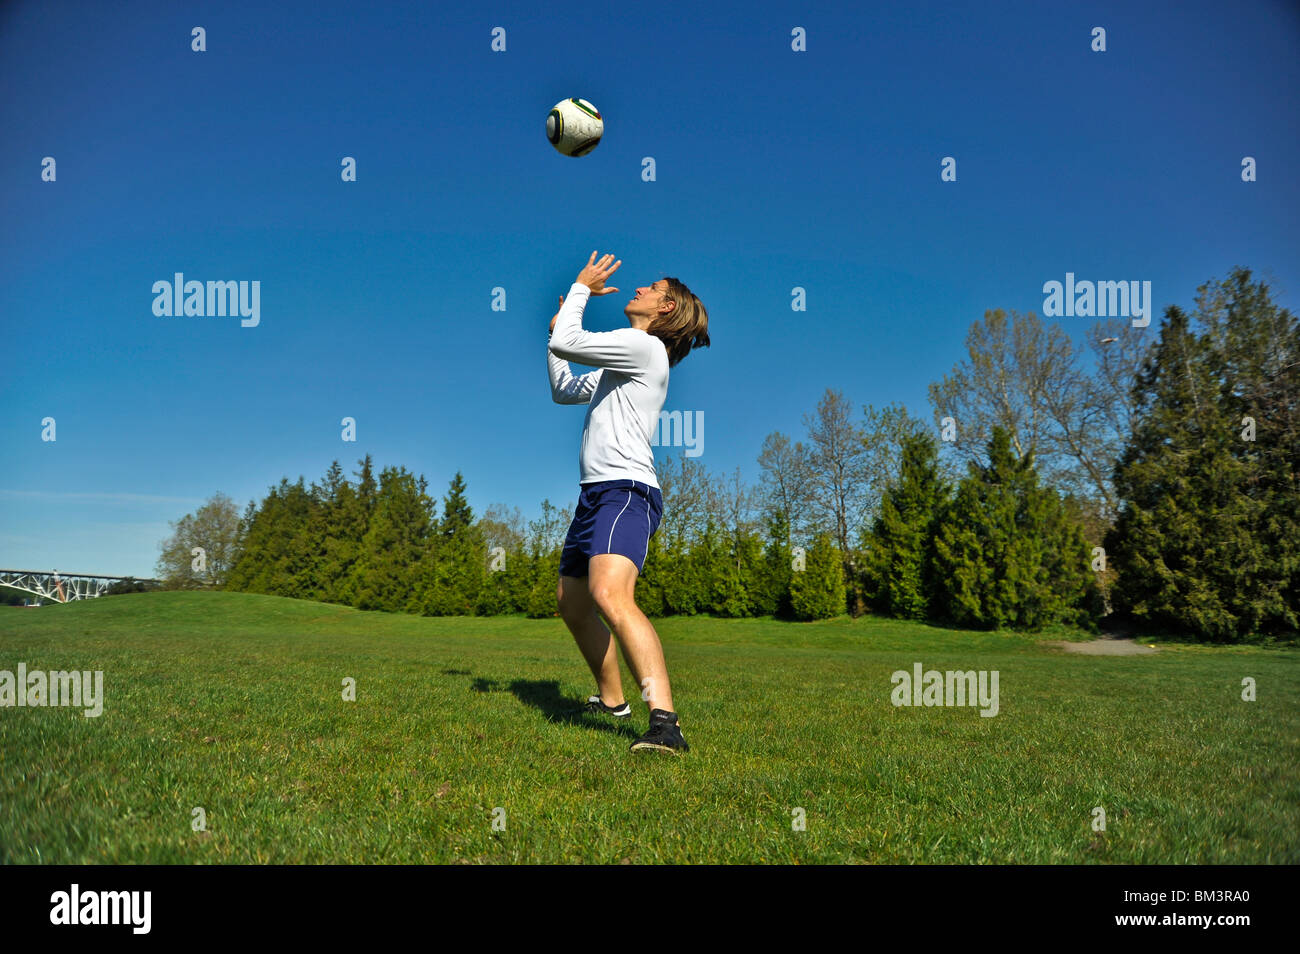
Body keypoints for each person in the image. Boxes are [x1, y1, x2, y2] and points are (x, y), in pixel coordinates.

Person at [547, 251, 710, 753]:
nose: (639, 288)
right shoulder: (626, 358)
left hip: (626, 490)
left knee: (611, 596)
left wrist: (579, 289)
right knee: (572, 604)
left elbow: (567, 340)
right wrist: (559, 327)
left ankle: (666, 724)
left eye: (651, 288)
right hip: (595, 493)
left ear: (665, 310)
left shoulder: (643, 348)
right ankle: (613, 701)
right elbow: (565, 388)